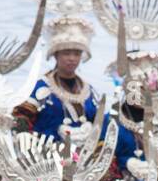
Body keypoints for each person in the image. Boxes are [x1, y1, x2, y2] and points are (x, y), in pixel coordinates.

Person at [15, 15, 101, 143]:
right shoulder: (41, 87)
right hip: (47, 157)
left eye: (76, 53)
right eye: (66, 53)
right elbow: (21, 116)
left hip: (83, 157)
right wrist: (24, 136)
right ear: (56, 54)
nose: (71, 58)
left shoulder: (89, 92)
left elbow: (98, 125)